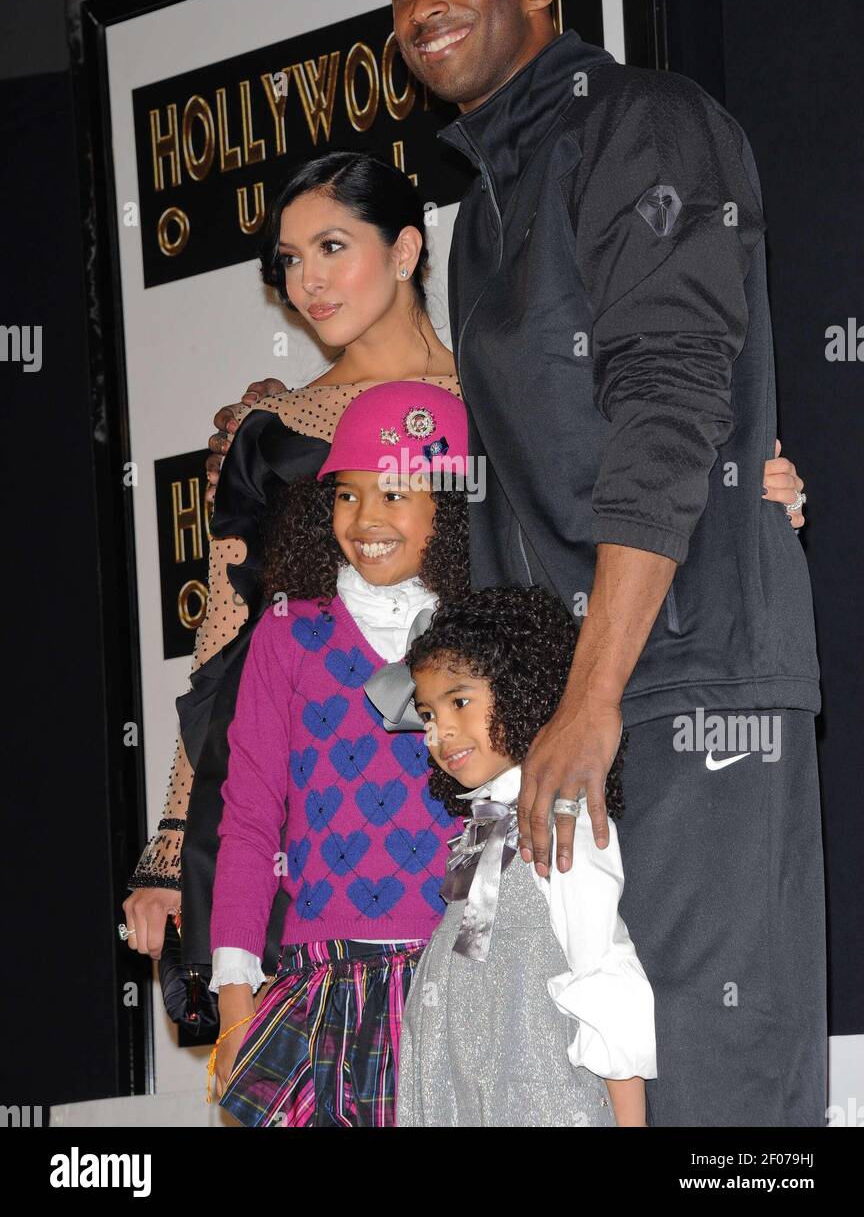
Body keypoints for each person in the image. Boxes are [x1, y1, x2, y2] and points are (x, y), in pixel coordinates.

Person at [205, 0, 823, 1127]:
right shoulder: (482, 212)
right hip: (571, 711)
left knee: (709, 1074)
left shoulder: (646, 124)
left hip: (681, 685)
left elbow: (665, 396)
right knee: (590, 1080)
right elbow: (499, 511)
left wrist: (591, 699)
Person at [121, 153, 460, 972]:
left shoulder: (500, 400)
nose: (307, 281)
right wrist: (171, 845)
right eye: (291, 260)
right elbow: (222, 643)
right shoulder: (271, 434)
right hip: (320, 807)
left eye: (333, 247)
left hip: (471, 784)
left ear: (407, 252)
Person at [209, 380, 470, 1126]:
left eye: (395, 494)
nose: (367, 519)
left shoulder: (485, 634)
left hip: (461, 977)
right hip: (327, 987)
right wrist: (234, 996)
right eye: (347, 496)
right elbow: (251, 818)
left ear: (445, 512)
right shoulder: (289, 634)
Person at [395, 585, 656, 1129]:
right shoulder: (480, 834)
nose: (440, 732)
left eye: (459, 701)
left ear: (521, 689)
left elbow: (605, 973)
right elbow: (472, 982)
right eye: (426, 714)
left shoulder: (565, 820)